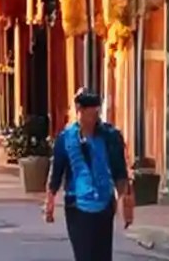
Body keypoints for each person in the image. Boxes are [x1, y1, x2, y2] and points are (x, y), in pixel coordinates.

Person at [45, 89, 133, 261]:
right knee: (84, 255)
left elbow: (119, 172)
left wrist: (126, 203)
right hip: (77, 207)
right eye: (87, 113)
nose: (91, 118)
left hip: (104, 205)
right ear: (79, 111)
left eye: (95, 113)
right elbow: (56, 172)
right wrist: (49, 202)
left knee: (102, 256)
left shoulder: (110, 137)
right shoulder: (65, 139)